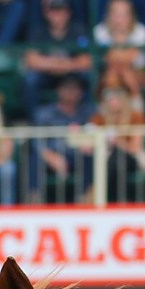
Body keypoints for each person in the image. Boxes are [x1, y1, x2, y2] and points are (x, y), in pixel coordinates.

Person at [30, 72, 93, 204]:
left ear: (81, 93)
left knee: (90, 157)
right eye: (67, 88)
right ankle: (34, 200)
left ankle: (86, 200)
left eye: (75, 88)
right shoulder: (45, 114)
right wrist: (51, 156)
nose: (71, 92)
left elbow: (94, 133)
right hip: (51, 154)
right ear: (58, 91)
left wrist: (87, 143)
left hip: (77, 155)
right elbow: (37, 141)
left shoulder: (88, 112)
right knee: (34, 158)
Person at [22, 0, 90, 114]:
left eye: (61, 11)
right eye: (53, 11)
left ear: (68, 13)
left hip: (71, 73)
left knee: (89, 76)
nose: (57, 15)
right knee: (30, 79)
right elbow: (31, 60)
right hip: (47, 74)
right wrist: (57, 65)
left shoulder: (78, 30)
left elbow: (87, 60)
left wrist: (65, 66)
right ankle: (35, 119)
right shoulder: (38, 31)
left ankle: (88, 117)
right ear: (46, 13)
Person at [92, 0, 145, 101]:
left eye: (124, 15)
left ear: (131, 15)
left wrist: (116, 55)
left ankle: (129, 110)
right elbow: (108, 59)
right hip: (107, 72)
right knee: (113, 75)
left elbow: (129, 58)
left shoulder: (141, 31)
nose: (119, 19)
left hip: (138, 71)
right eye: (115, 14)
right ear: (108, 15)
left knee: (124, 72)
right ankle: (136, 109)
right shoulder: (99, 31)